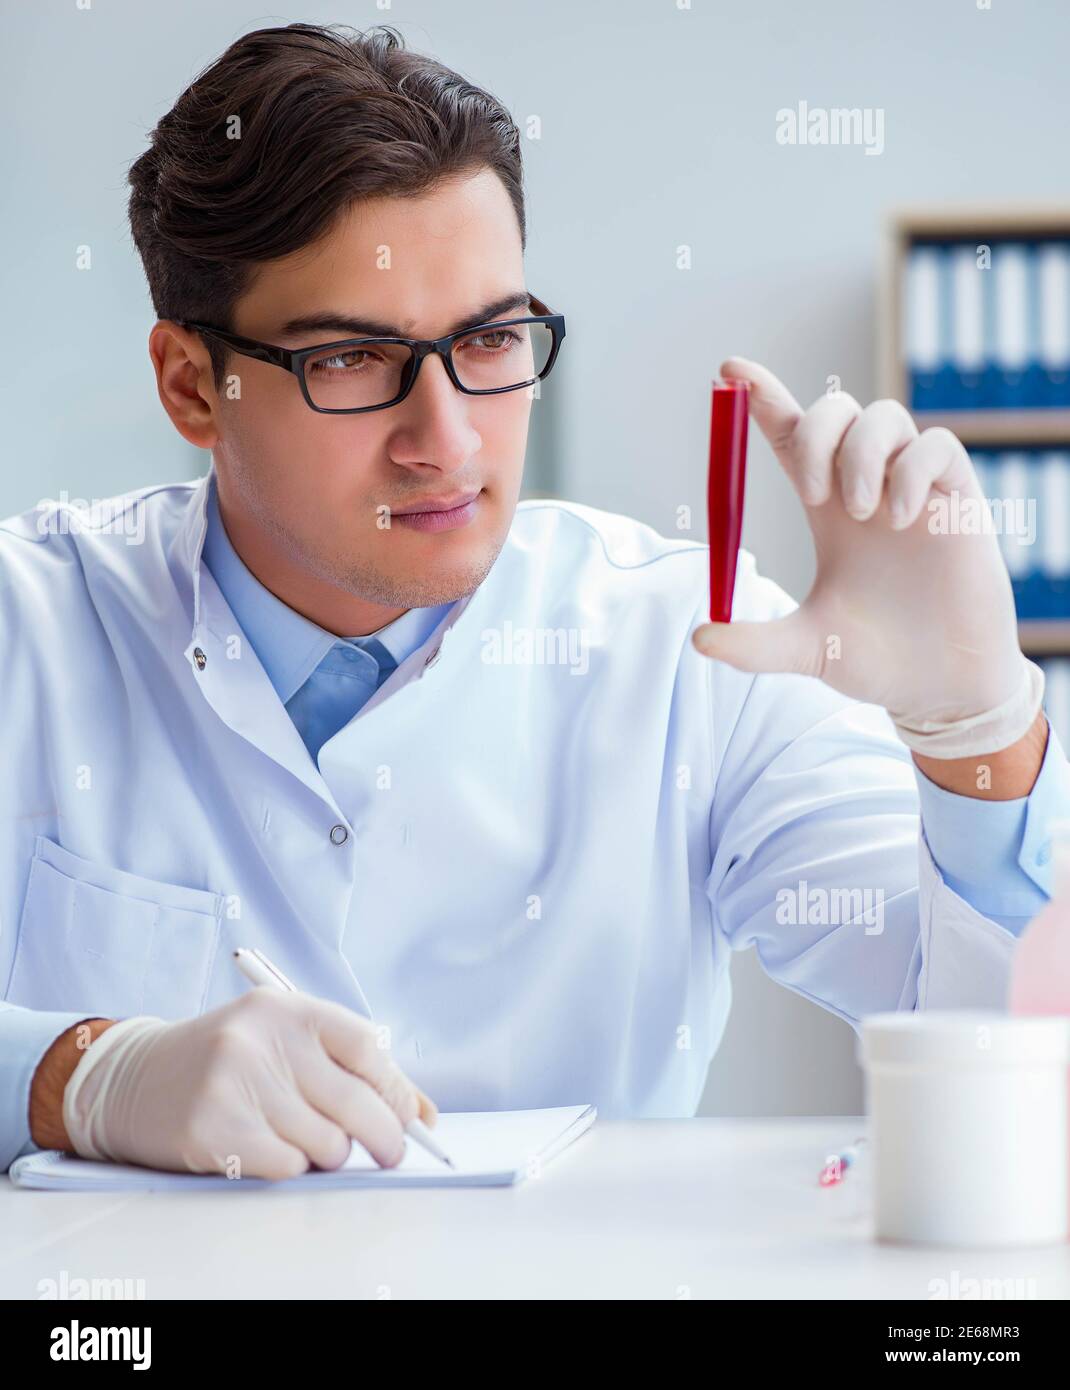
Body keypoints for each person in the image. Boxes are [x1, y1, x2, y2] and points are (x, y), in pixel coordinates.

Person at [2, 22, 1065, 1179]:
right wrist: (79, 1077)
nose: (445, 440)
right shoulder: (31, 626)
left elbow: (1002, 1065)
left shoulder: (683, 647)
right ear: (190, 384)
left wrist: (978, 736)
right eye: (352, 359)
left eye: (492, 338)